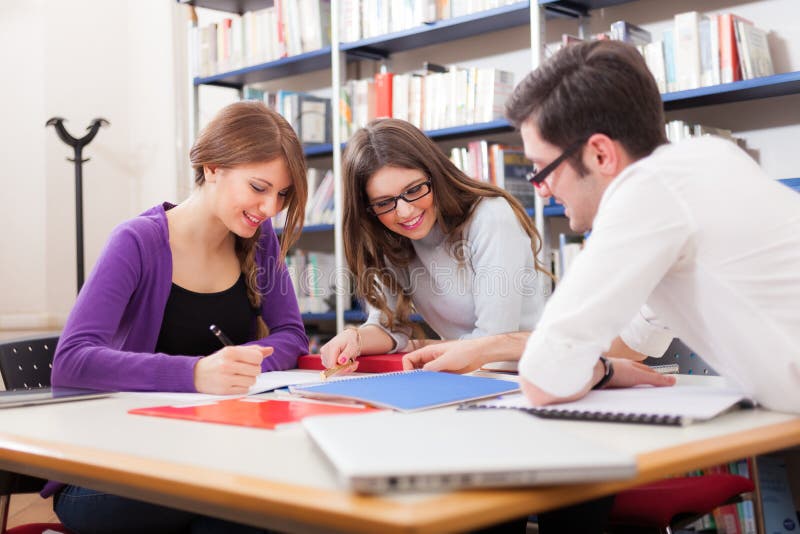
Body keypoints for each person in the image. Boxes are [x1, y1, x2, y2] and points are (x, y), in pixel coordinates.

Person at [403, 39, 800, 414]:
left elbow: (544, 379)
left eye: (543, 169)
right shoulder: (707, 162)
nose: (541, 191)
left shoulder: (645, 194)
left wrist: (599, 370)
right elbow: (625, 342)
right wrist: (488, 347)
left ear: (600, 154)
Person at [45, 100, 309, 533]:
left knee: (243, 517)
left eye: (282, 195)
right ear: (211, 167)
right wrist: (196, 374)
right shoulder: (137, 242)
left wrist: (243, 362)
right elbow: (71, 361)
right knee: (250, 501)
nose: (270, 207)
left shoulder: (259, 241)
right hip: (110, 470)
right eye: (259, 187)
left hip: (210, 451)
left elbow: (291, 335)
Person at [319, 118, 553, 370]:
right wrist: (356, 338)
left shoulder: (490, 216)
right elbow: (390, 329)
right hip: (465, 376)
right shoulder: (390, 237)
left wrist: (418, 346)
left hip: (526, 375)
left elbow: (491, 342)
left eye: (414, 189)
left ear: (435, 174)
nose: (405, 212)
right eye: (384, 203)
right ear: (369, 209)